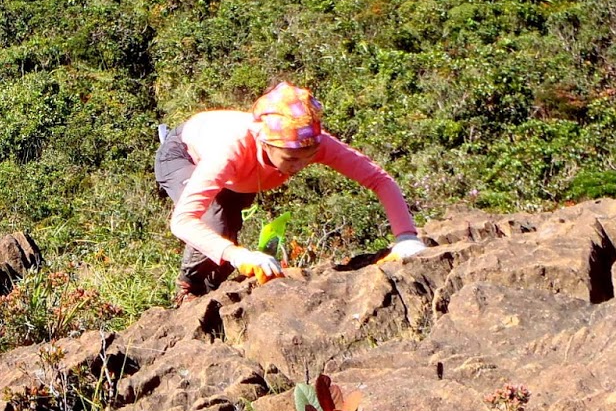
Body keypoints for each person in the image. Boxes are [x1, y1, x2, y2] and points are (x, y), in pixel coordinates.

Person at [154, 81, 425, 300]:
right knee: (215, 224)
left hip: (241, 176)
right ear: (265, 144)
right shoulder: (230, 151)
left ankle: (212, 293)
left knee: (227, 234)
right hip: (184, 154)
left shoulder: (308, 141)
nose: (301, 165)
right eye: (292, 158)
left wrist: (406, 237)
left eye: (309, 156)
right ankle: (187, 289)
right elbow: (183, 221)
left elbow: (379, 179)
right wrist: (239, 255)